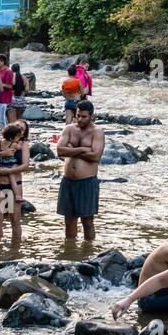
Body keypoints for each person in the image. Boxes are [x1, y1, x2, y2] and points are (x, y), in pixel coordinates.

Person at [55, 100, 104, 242]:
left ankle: (88, 252)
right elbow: (59, 151)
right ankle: (70, 253)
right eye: (78, 116)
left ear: (92, 116)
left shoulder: (97, 132)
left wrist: (70, 150)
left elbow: (95, 155)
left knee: (87, 222)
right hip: (68, 181)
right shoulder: (69, 129)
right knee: (69, 221)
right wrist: (82, 149)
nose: (80, 119)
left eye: (84, 116)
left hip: (87, 181)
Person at [0, 122, 31, 245]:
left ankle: (16, 250)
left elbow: (26, 165)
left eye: (21, 128)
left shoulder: (23, 144)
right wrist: (2, 154)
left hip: (15, 184)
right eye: (17, 125)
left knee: (15, 220)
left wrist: (9, 170)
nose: (18, 128)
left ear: (22, 133)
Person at [0, 54, 14, 123]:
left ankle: (4, 131)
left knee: (1, 116)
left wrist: (0, 84)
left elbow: (10, 86)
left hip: (4, 98)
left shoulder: (8, 72)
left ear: (2, 62)